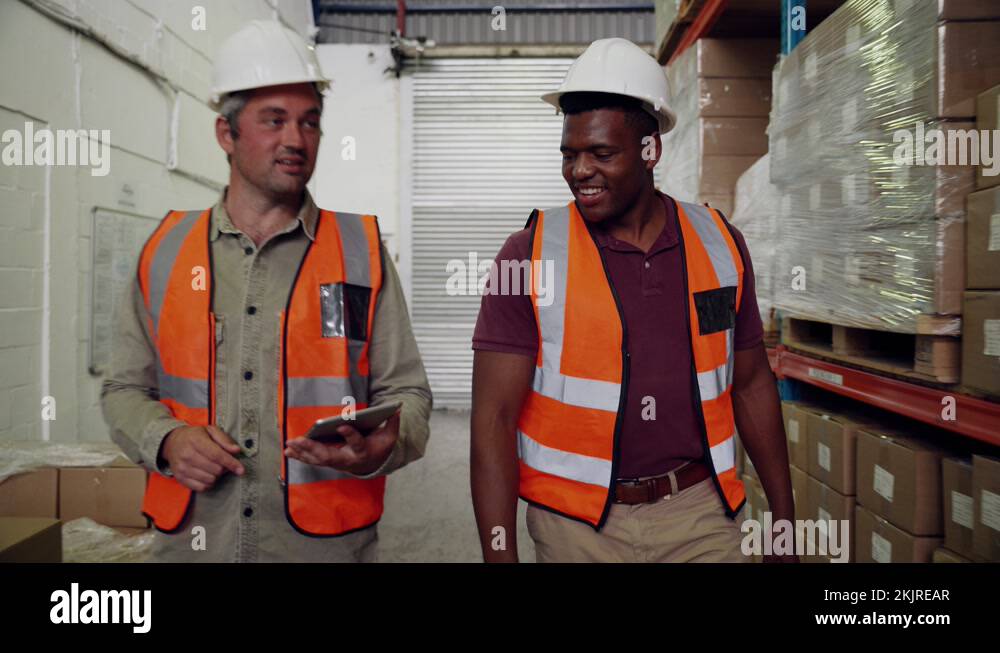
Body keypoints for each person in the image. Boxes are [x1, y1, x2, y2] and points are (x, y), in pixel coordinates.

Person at [101, 20, 432, 562]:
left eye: (310, 123)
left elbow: (410, 396)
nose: (295, 140)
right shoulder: (165, 251)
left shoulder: (361, 252)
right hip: (195, 545)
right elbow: (122, 389)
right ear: (225, 134)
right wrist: (166, 439)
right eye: (273, 121)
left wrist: (384, 445)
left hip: (322, 547)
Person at [470, 38, 795, 563]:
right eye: (569, 154)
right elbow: (493, 420)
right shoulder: (527, 254)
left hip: (701, 512)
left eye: (601, 154)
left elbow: (753, 383)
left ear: (651, 150)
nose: (579, 171)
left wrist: (784, 525)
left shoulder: (719, 242)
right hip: (574, 525)